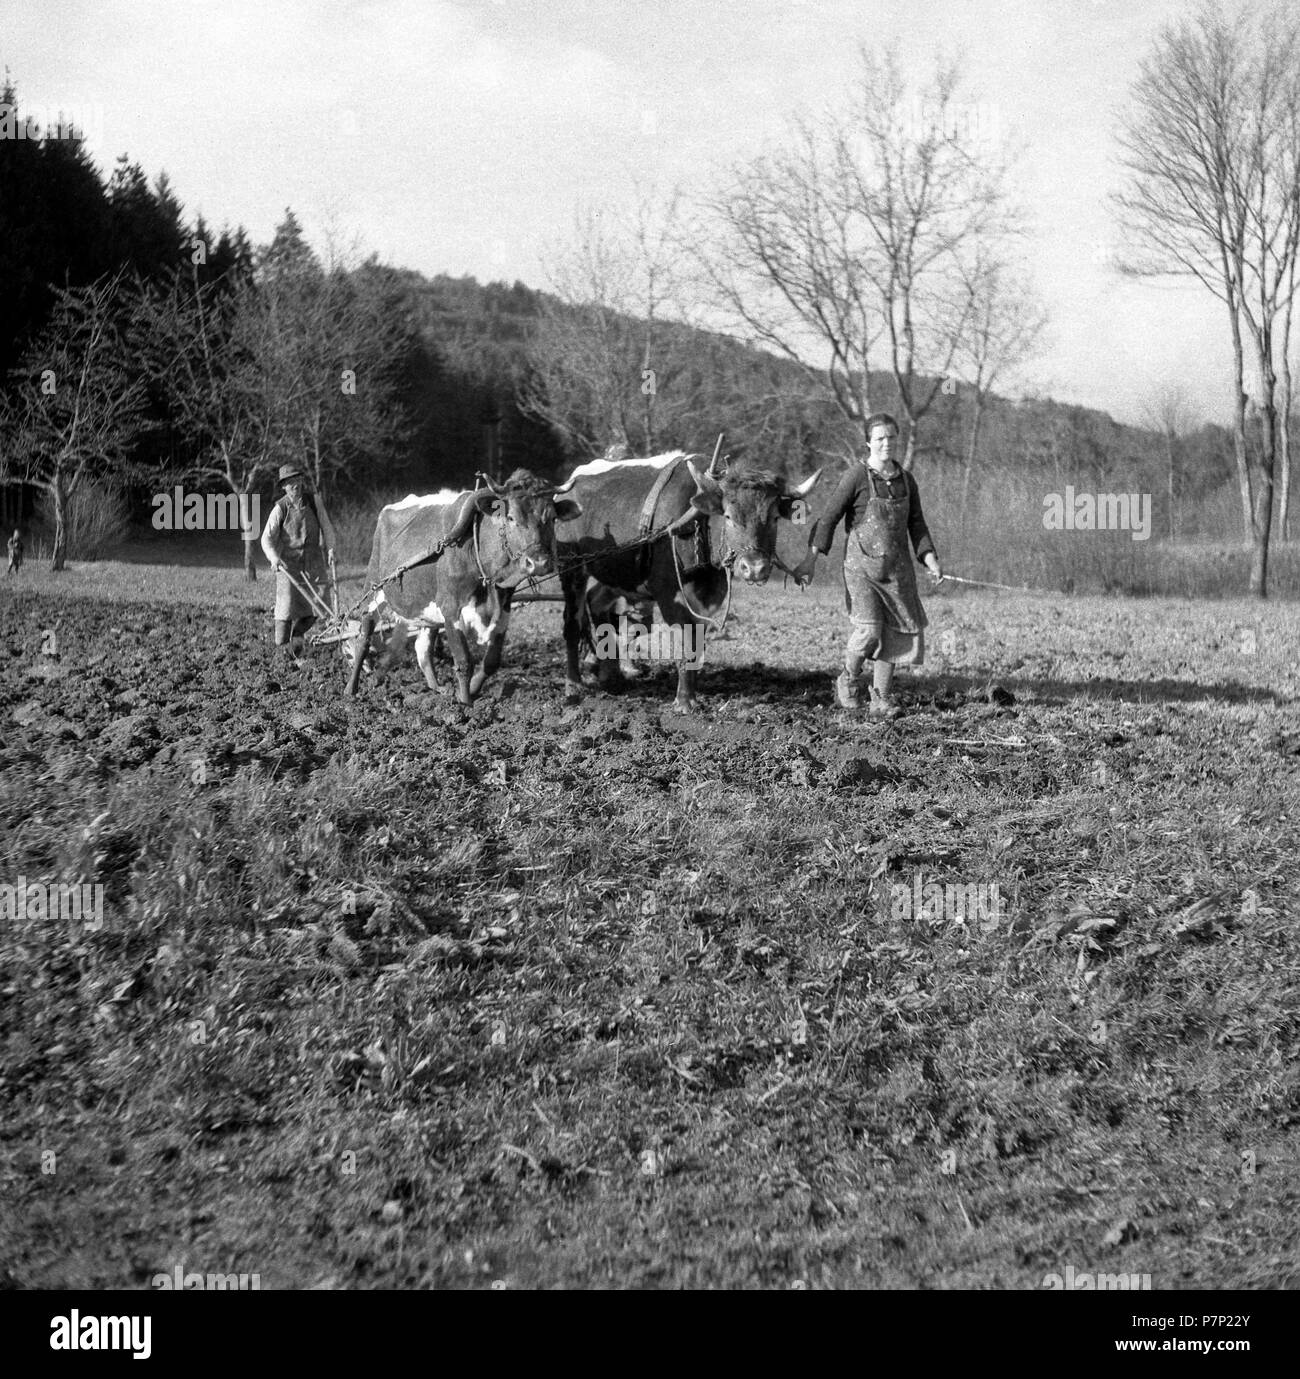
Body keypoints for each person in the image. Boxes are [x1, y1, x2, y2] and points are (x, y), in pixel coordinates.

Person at [791, 413, 943, 716]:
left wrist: (930, 559)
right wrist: (810, 559)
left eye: (891, 437)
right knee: (869, 630)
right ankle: (847, 682)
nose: (887, 443)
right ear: (868, 443)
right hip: (860, 570)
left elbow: (917, 525)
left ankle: (881, 698)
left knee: (895, 634)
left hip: (897, 571)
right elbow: (829, 518)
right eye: (880, 438)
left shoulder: (907, 480)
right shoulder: (856, 476)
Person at [259, 465, 337, 657]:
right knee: (285, 610)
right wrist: (274, 557)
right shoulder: (280, 508)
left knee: (316, 607)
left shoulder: (313, 500)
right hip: (288, 564)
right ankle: (281, 650)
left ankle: (297, 643)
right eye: (290, 482)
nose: (295, 485)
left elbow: (326, 526)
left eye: (297, 480)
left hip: (313, 562)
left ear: (302, 481)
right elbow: (266, 538)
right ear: (284, 486)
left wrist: (331, 548)